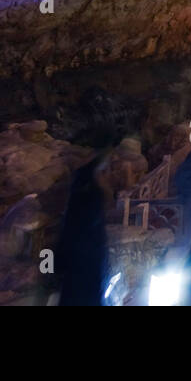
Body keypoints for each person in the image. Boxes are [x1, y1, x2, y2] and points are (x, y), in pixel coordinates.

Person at [56, 131, 120, 306]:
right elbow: (79, 222)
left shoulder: (87, 179)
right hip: (84, 255)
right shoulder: (87, 185)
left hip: (87, 255)